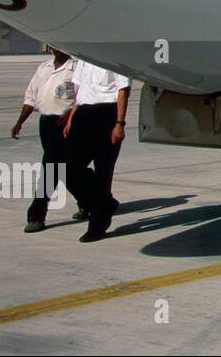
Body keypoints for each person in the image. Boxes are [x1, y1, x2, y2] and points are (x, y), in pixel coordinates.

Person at [10, 47, 86, 232]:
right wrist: (19, 122)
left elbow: (83, 96)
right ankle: (92, 201)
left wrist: (71, 114)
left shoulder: (76, 69)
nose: (55, 48)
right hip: (46, 123)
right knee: (66, 169)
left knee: (51, 168)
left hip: (66, 125)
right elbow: (31, 98)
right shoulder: (43, 68)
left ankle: (37, 215)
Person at [64, 59, 131, 242]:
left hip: (107, 115)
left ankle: (98, 226)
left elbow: (123, 90)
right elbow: (79, 92)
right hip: (83, 115)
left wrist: (119, 124)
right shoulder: (83, 60)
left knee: (103, 172)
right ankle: (106, 203)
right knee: (68, 169)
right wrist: (71, 119)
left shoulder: (115, 58)